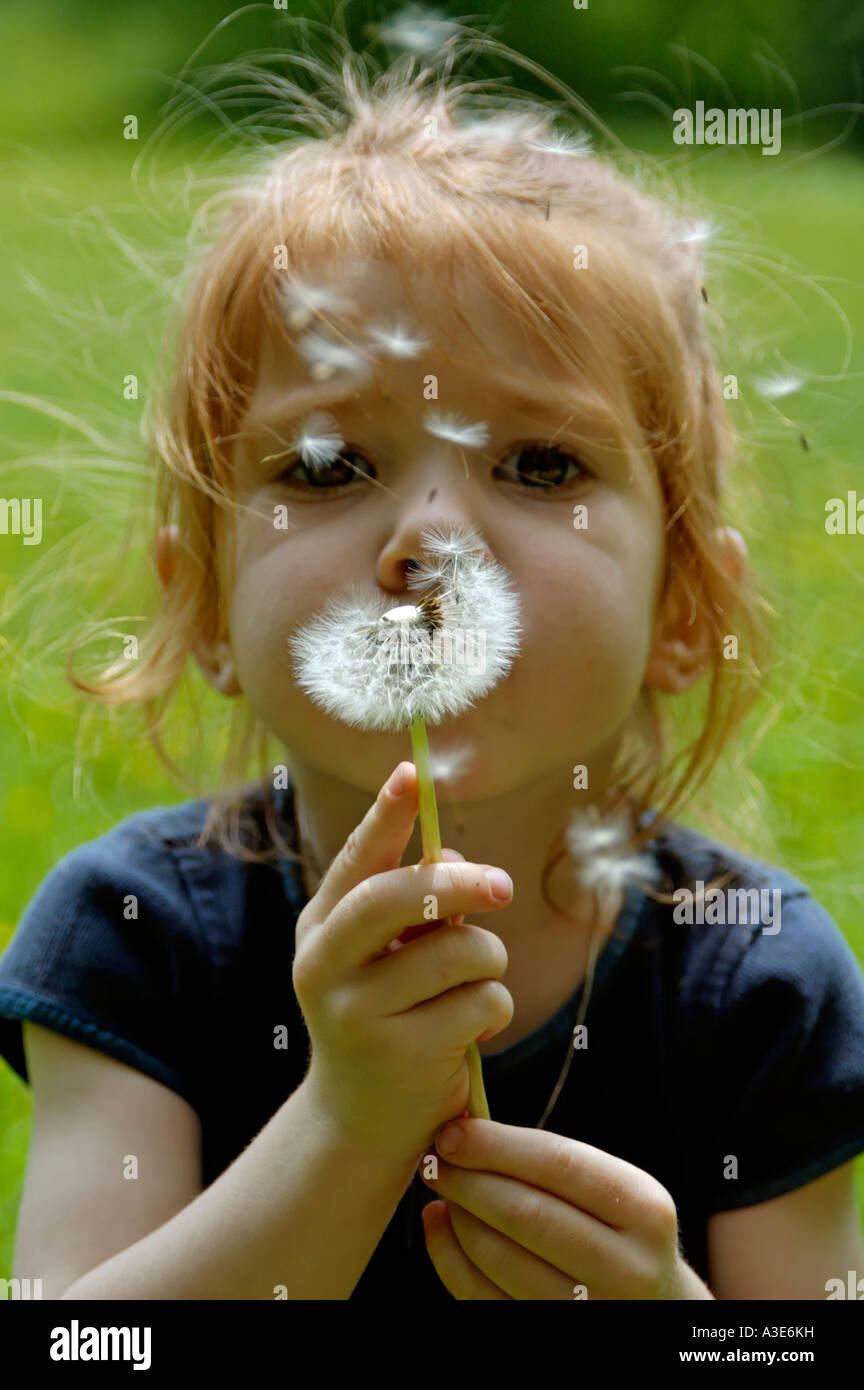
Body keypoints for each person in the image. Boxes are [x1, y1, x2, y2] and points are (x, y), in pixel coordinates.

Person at [1, 23, 863, 1301]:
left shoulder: (756, 985)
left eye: (539, 466)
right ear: (205, 610)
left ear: (687, 608)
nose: (430, 541)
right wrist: (344, 1122)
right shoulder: (134, 943)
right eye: (328, 466)